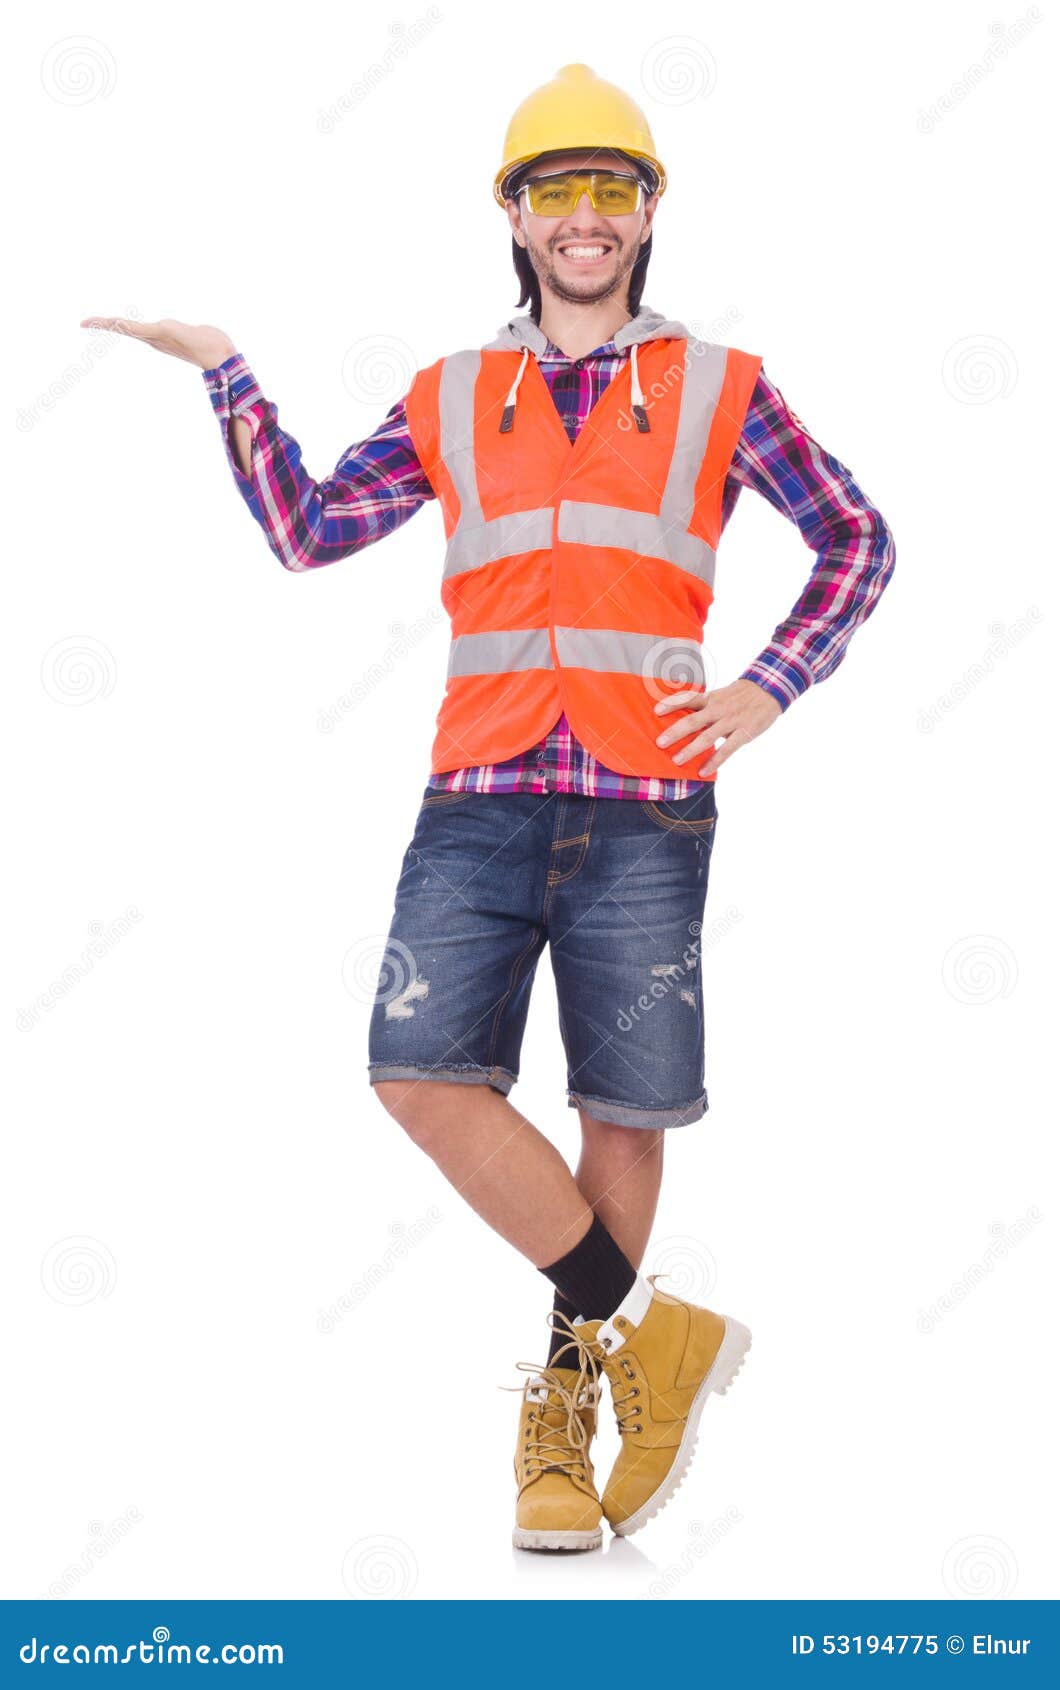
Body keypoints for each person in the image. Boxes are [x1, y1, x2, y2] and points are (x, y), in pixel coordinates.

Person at [82, 62, 895, 1555]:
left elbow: (858, 537)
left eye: (611, 188)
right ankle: (658, 1333)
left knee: (624, 1113)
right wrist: (223, 368)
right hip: (478, 794)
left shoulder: (723, 385)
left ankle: (565, 1426)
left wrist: (770, 686)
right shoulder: (453, 391)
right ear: (513, 218)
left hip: (649, 802)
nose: (584, 216)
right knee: (416, 1072)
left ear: (648, 210)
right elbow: (309, 529)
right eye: (553, 189)